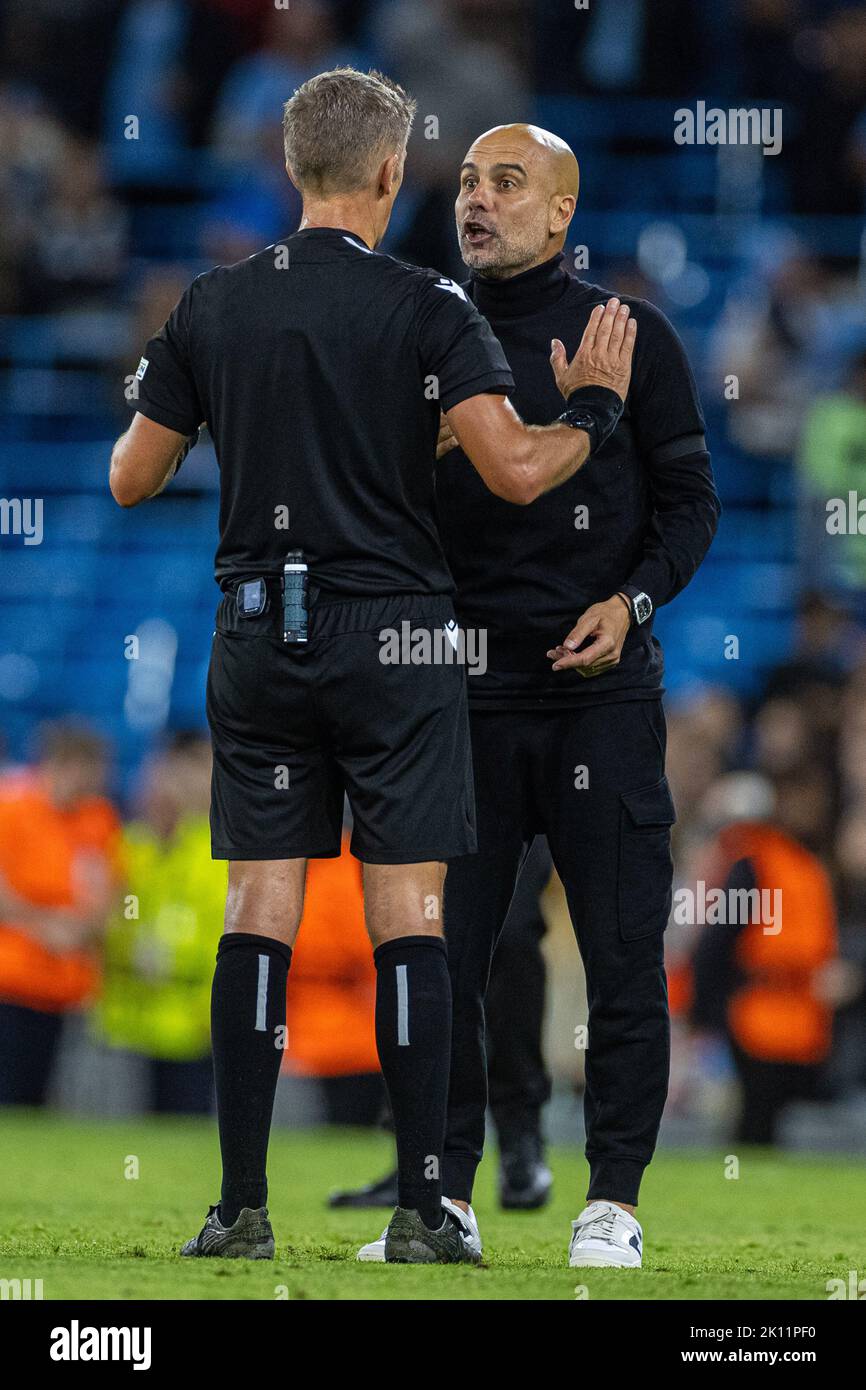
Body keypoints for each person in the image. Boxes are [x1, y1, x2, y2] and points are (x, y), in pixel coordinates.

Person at [108, 69, 638, 1263]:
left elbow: (129, 478)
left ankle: (237, 1208)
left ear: (292, 166)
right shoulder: (428, 306)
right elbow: (511, 470)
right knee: (407, 911)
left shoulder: (210, 303)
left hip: (254, 627)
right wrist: (595, 412)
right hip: (393, 633)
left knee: (260, 907)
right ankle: (420, 1210)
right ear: (392, 174)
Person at [359, 123, 719, 1268]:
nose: (478, 200)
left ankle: (611, 1197)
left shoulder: (631, 336)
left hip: (598, 695)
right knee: (441, 957)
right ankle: (442, 1196)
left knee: (620, 953)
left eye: (506, 183)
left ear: (560, 211)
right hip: (457, 695)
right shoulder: (417, 330)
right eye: (466, 180)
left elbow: (689, 507)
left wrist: (633, 604)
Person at [97, 733, 222, 1114]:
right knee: (121, 1139)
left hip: (193, 1023)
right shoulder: (131, 844)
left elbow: (225, 930)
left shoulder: (220, 849)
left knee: (185, 1135)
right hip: (129, 1019)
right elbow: (108, 917)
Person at [0, 722, 120, 1105]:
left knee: (41, 1096)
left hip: (65, 983)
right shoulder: (13, 810)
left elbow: (110, 890)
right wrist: (45, 925)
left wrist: (81, 928)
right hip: (12, 980)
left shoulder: (98, 818)